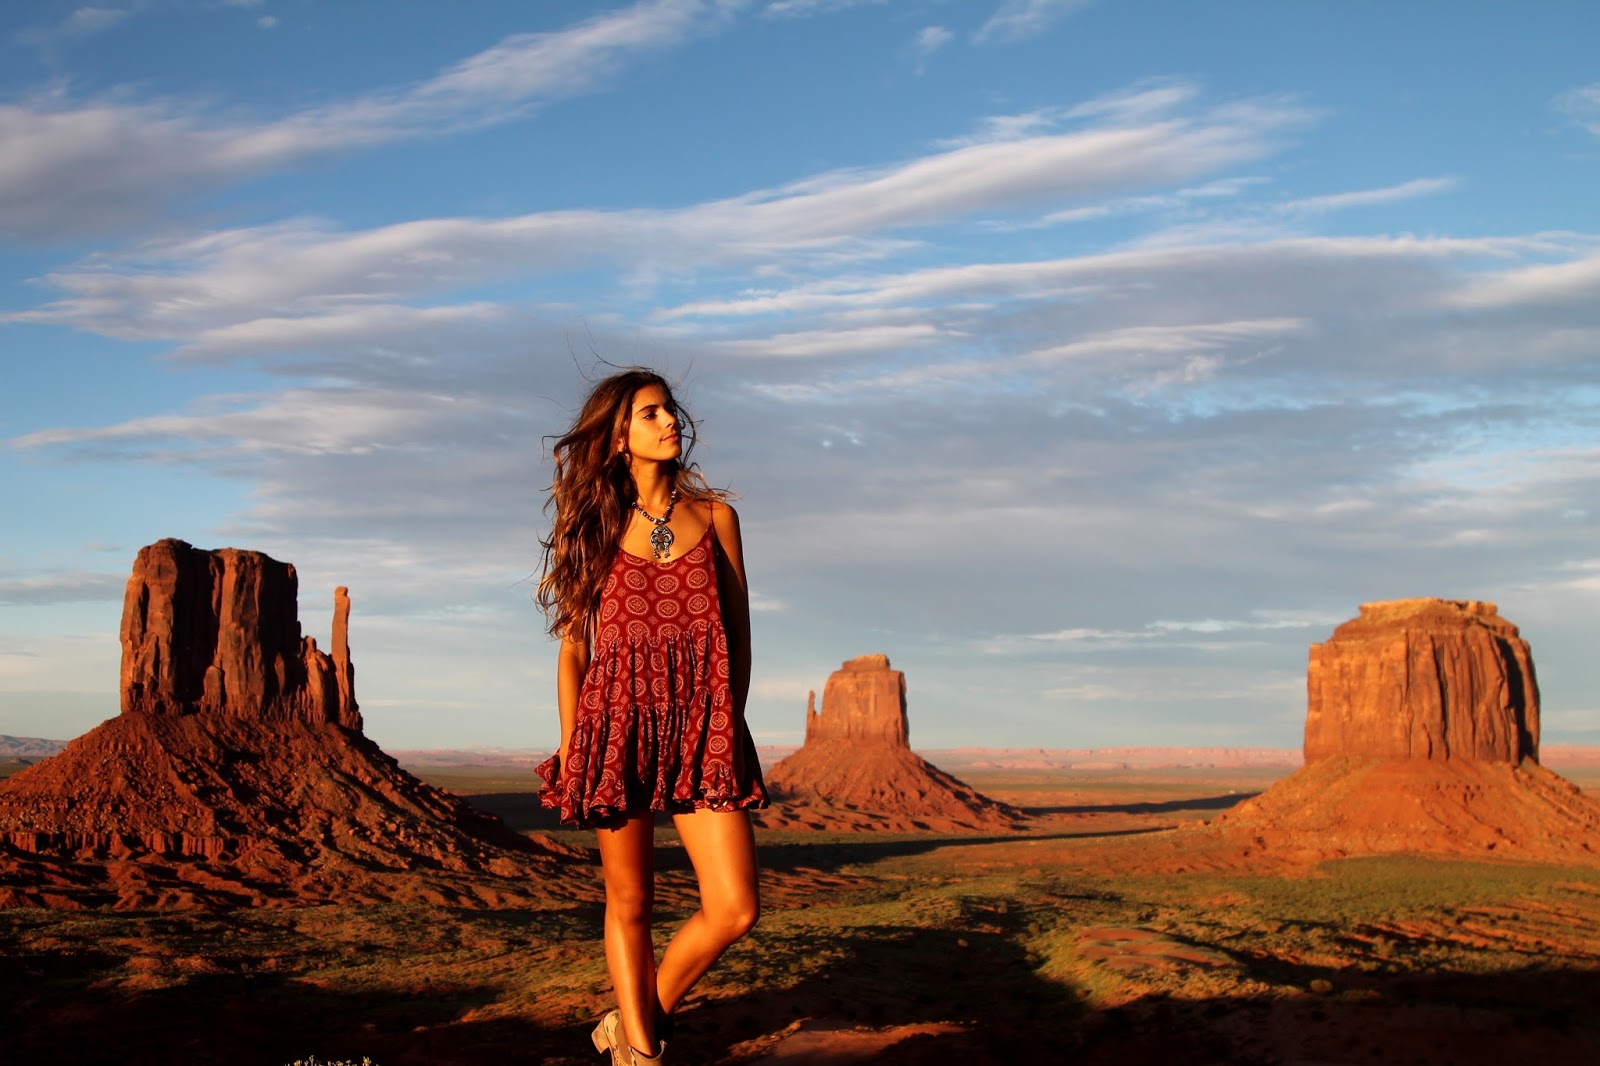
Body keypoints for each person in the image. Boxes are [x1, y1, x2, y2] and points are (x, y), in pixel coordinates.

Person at [535, 368, 768, 1065]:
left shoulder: (717, 518)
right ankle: (640, 1055)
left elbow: (740, 633)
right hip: (616, 726)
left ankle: (634, 1018)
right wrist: (578, 745)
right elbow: (574, 651)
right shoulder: (594, 525)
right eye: (649, 413)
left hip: (703, 727)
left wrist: (726, 723)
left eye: (669, 409)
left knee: (736, 907)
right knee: (630, 902)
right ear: (618, 437)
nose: (669, 421)